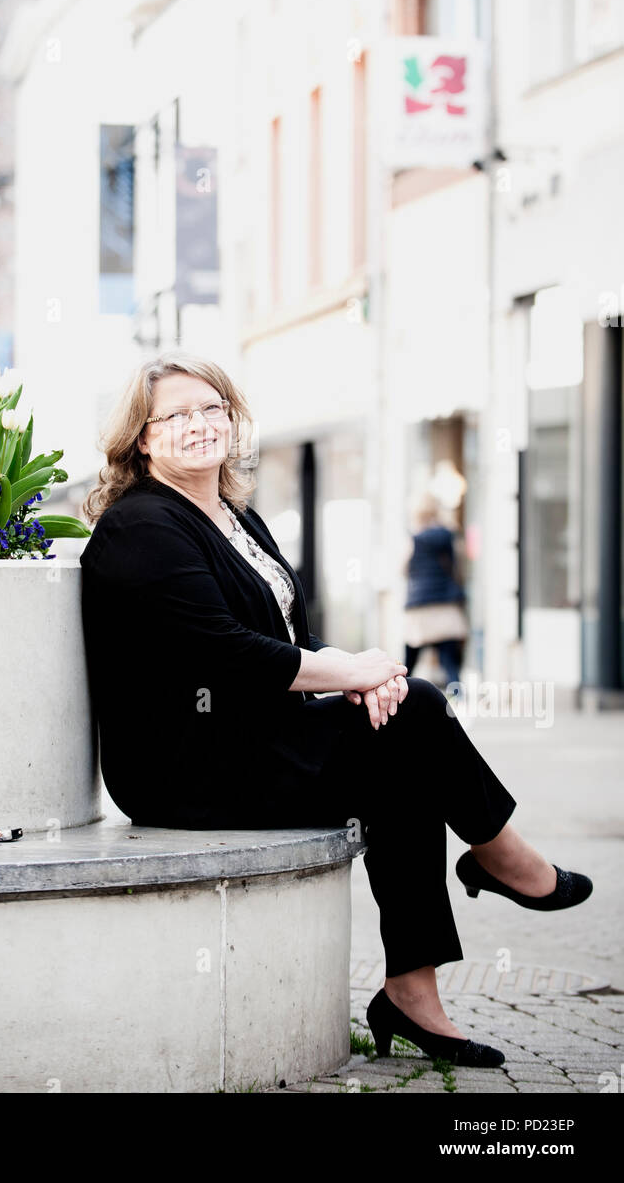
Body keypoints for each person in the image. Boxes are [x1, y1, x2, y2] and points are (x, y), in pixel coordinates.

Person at [79, 353, 593, 1070]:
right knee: (412, 713)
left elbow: (288, 638)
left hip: (251, 737)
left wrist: (361, 679)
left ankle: (412, 993)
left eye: (212, 408)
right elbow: (226, 655)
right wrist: (356, 671)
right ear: (142, 437)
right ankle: (500, 857)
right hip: (186, 765)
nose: (200, 425)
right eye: (178, 415)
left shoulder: (231, 514)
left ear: (231, 417)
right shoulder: (141, 526)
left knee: (399, 737)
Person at [402, 491, 468, 690]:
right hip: (445, 606)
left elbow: (403, 568)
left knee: (408, 665)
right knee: (450, 664)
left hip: (420, 608)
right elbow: (459, 568)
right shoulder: (449, 536)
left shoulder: (414, 538)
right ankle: (457, 702)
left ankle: (397, 703)